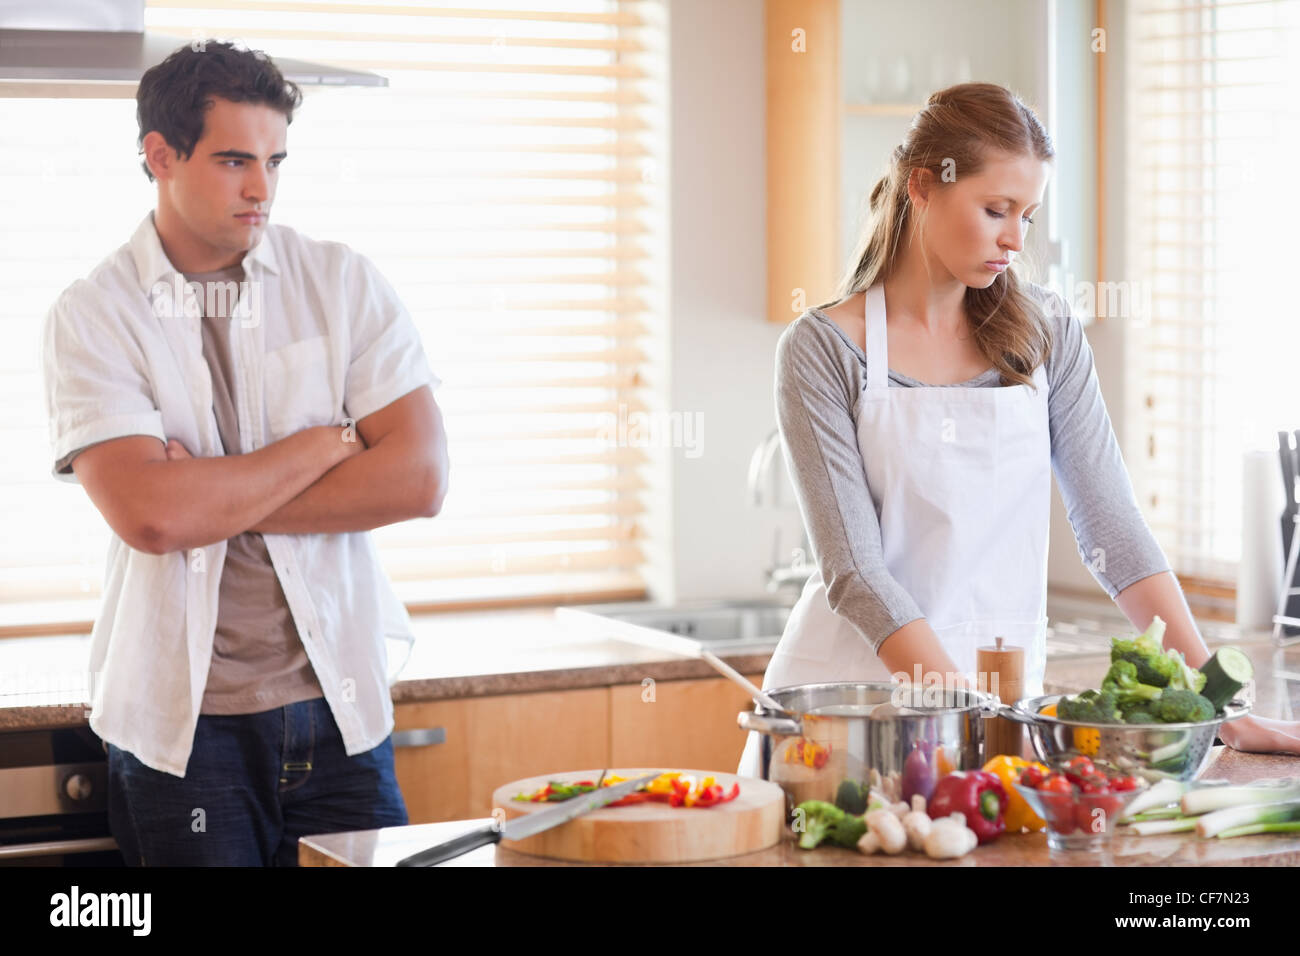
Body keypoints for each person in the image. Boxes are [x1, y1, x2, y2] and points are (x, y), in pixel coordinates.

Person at [738, 82, 1299, 777]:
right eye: (995, 209)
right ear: (923, 185)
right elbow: (854, 572)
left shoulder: (1045, 330)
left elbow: (1112, 528)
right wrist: (966, 716)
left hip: (997, 698)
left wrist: (1220, 703)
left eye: (1027, 216)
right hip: (854, 712)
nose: (1014, 239)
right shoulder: (822, 348)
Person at [40, 41, 449, 865]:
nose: (260, 187)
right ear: (160, 155)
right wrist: (328, 444)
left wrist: (208, 493)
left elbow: (419, 477)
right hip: (187, 738)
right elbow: (154, 519)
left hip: (341, 713)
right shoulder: (92, 316)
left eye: (273, 160)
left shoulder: (341, 282)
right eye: (233, 160)